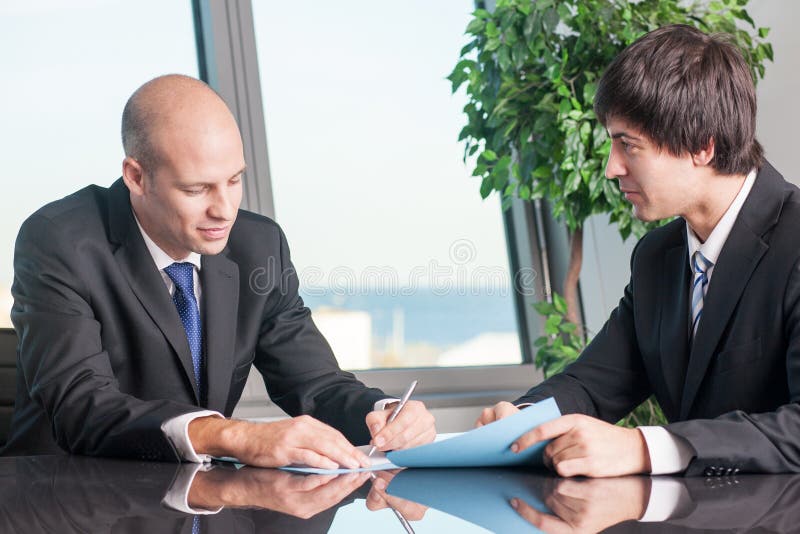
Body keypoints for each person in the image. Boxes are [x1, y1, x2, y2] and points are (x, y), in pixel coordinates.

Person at [4, 74, 435, 468]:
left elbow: (315, 383)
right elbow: (82, 407)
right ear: (136, 176)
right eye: (197, 189)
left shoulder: (258, 246)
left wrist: (384, 415)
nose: (224, 210)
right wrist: (235, 435)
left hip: (195, 500)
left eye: (234, 180)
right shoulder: (59, 240)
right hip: (68, 499)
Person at [479, 24, 800, 477]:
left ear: (702, 145)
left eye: (628, 144)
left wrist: (646, 448)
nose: (612, 167)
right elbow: (594, 383)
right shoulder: (657, 257)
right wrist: (525, 419)